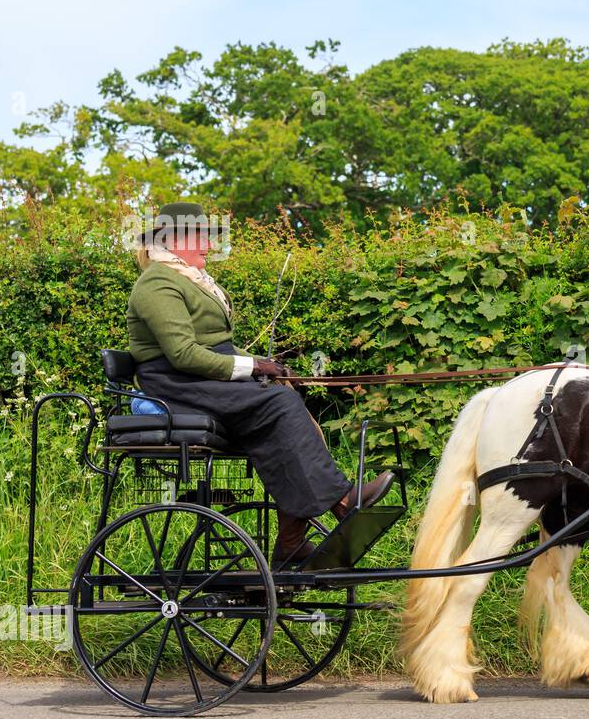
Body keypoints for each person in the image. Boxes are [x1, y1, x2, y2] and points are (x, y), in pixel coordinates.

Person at [126, 202, 395, 566]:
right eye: (201, 235)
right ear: (174, 239)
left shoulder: (188, 278)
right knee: (278, 405)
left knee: (282, 400)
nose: (209, 243)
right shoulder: (158, 282)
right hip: (177, 383)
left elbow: (217, 344)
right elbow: (184, 354)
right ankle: (344, 501)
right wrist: (253, 364)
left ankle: (291, 542)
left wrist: (267, 370)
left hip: (199, 377)